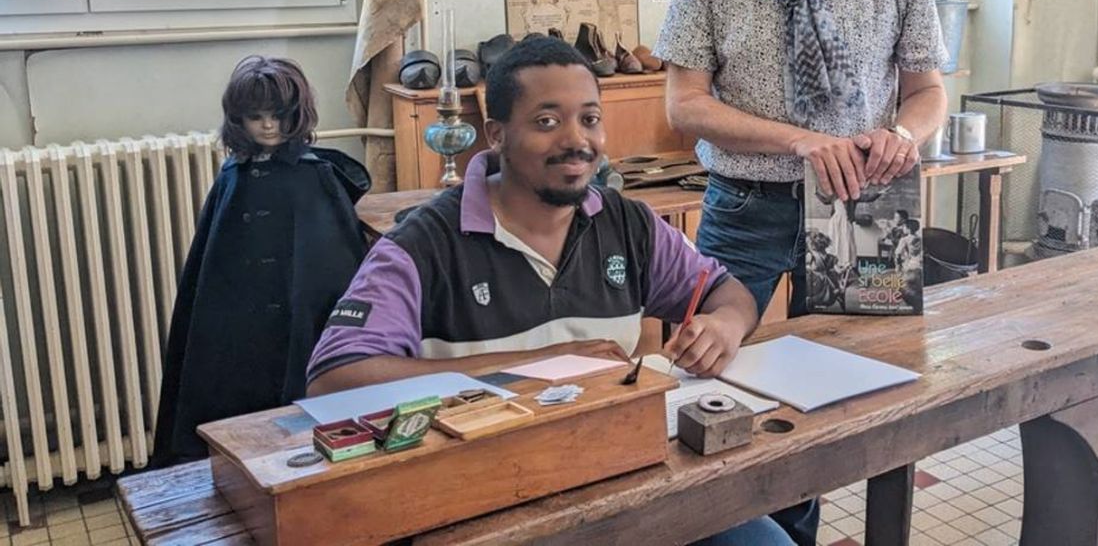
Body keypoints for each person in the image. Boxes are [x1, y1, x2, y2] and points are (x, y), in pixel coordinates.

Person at [306, 37, 790, 546]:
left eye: (589, 118)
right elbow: (334, 380)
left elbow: (725, 290)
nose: (576, 140)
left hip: (618, 478)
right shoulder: (424, 246)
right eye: (546, 121)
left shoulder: (628, 224)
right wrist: (543, 364)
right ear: (497, 135)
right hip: (484, 500)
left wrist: (724, 326)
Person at [654, 0, 949, 545]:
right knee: (706, 373)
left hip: (865, 201)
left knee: (867, 387)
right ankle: (748, 528)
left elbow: (926, 92)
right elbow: (685, 103)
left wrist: (905, 137)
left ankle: (806, 526)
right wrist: (799, 140)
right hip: (743, 202)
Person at [152, 56, 370, 466]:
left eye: (279, 116)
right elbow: (211, 265)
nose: (269, 126)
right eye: (256, 117)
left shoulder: (316, 176)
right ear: (239, 120)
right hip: (240, 322)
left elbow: (335, 263)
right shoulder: (232, 177)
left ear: (297, 115)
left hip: (303, 318)